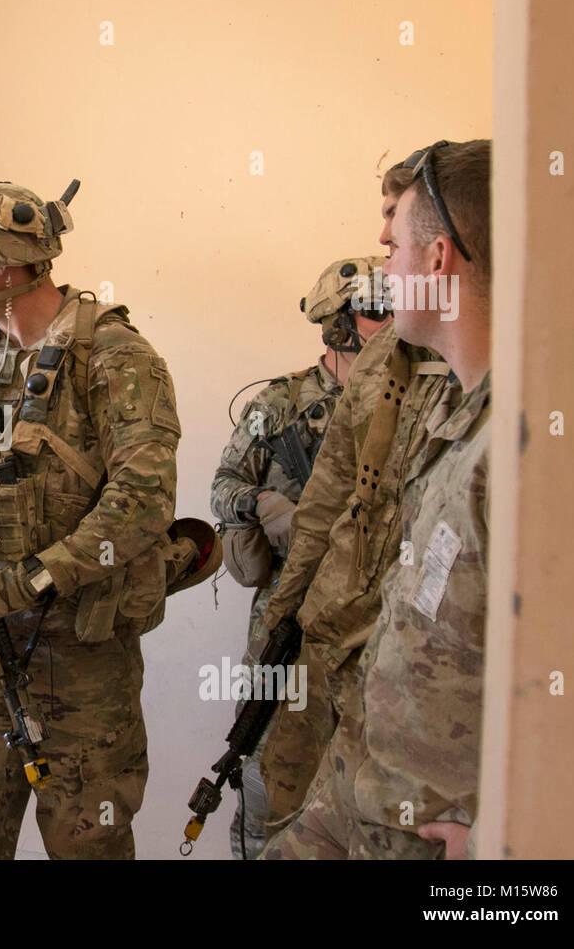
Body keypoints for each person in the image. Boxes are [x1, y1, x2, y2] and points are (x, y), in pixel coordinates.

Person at [0, 180, 181, 859]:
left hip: (79, 659)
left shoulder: (113, 356)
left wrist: (31, 581)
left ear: (2, 262)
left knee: (88, 846)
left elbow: (142, 502)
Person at [262, 138, 492, 859]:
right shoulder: (454, 417)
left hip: (436, 818)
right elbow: (333, 516)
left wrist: (501, 824)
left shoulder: (523, 438)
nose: (381, 268)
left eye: (393, 245)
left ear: (438, 259)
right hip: (364, 767)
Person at [209, 253, 390, 858]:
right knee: (267, 777)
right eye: (373, 312)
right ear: (336, 325)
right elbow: (221, 486)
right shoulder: (281, 403)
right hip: (291, 616)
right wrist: (263, 503)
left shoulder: (406, 403)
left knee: (368, 787)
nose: (389, 322)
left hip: (375, 620)